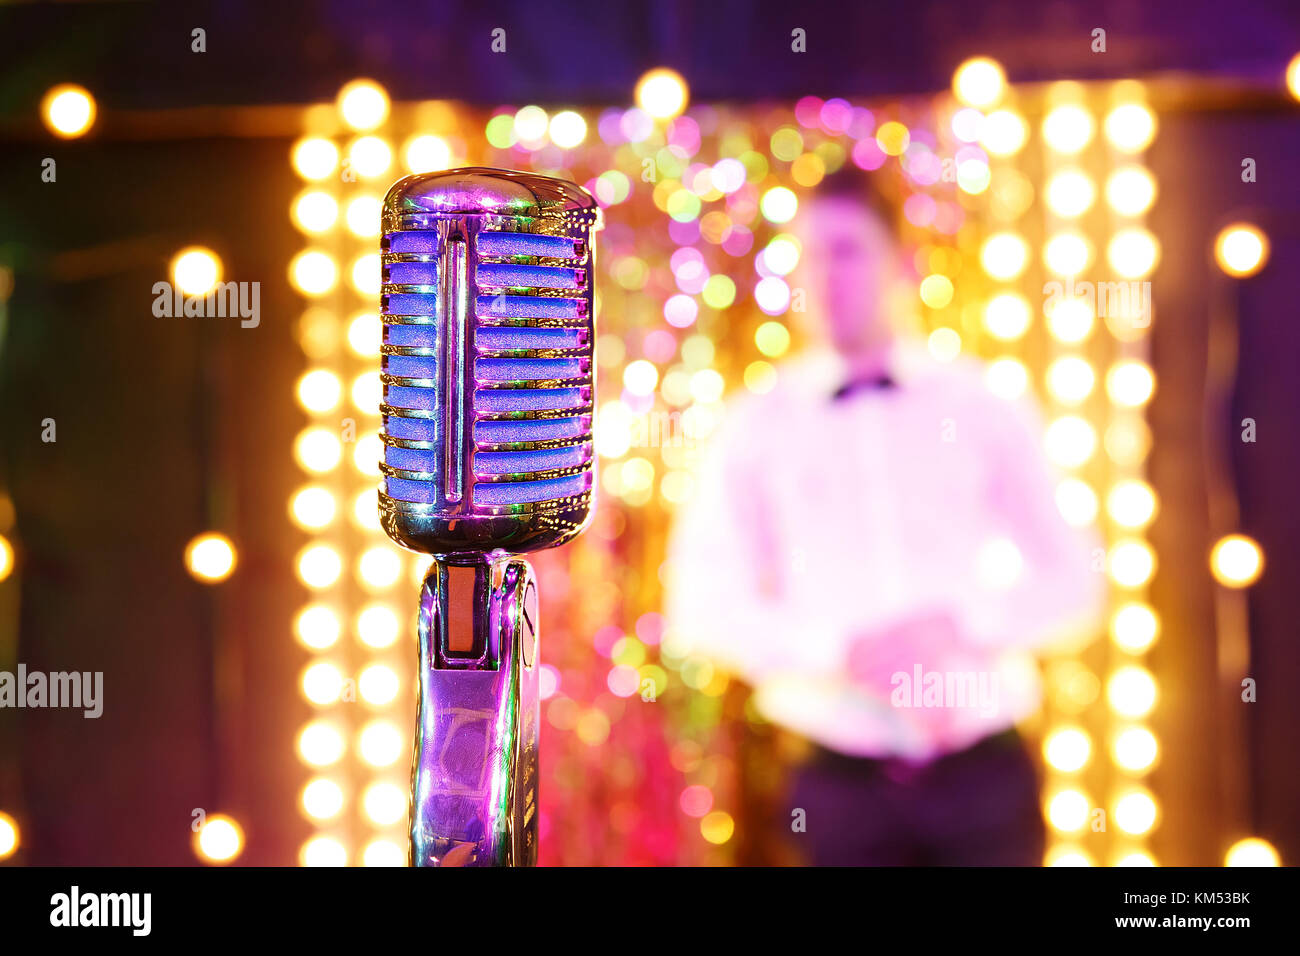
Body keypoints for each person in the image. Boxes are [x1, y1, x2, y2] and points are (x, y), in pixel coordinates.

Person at [664, 165, 1105, 866]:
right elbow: (700, 603)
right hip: (837, 791)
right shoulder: (758, 424)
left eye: (846, 252)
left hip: (984, 784)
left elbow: (1077, 583)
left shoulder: (983, 405)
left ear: (902, 263)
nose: (824, 278)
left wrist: (959, 628)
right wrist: (841, 653)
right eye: (807, 257)